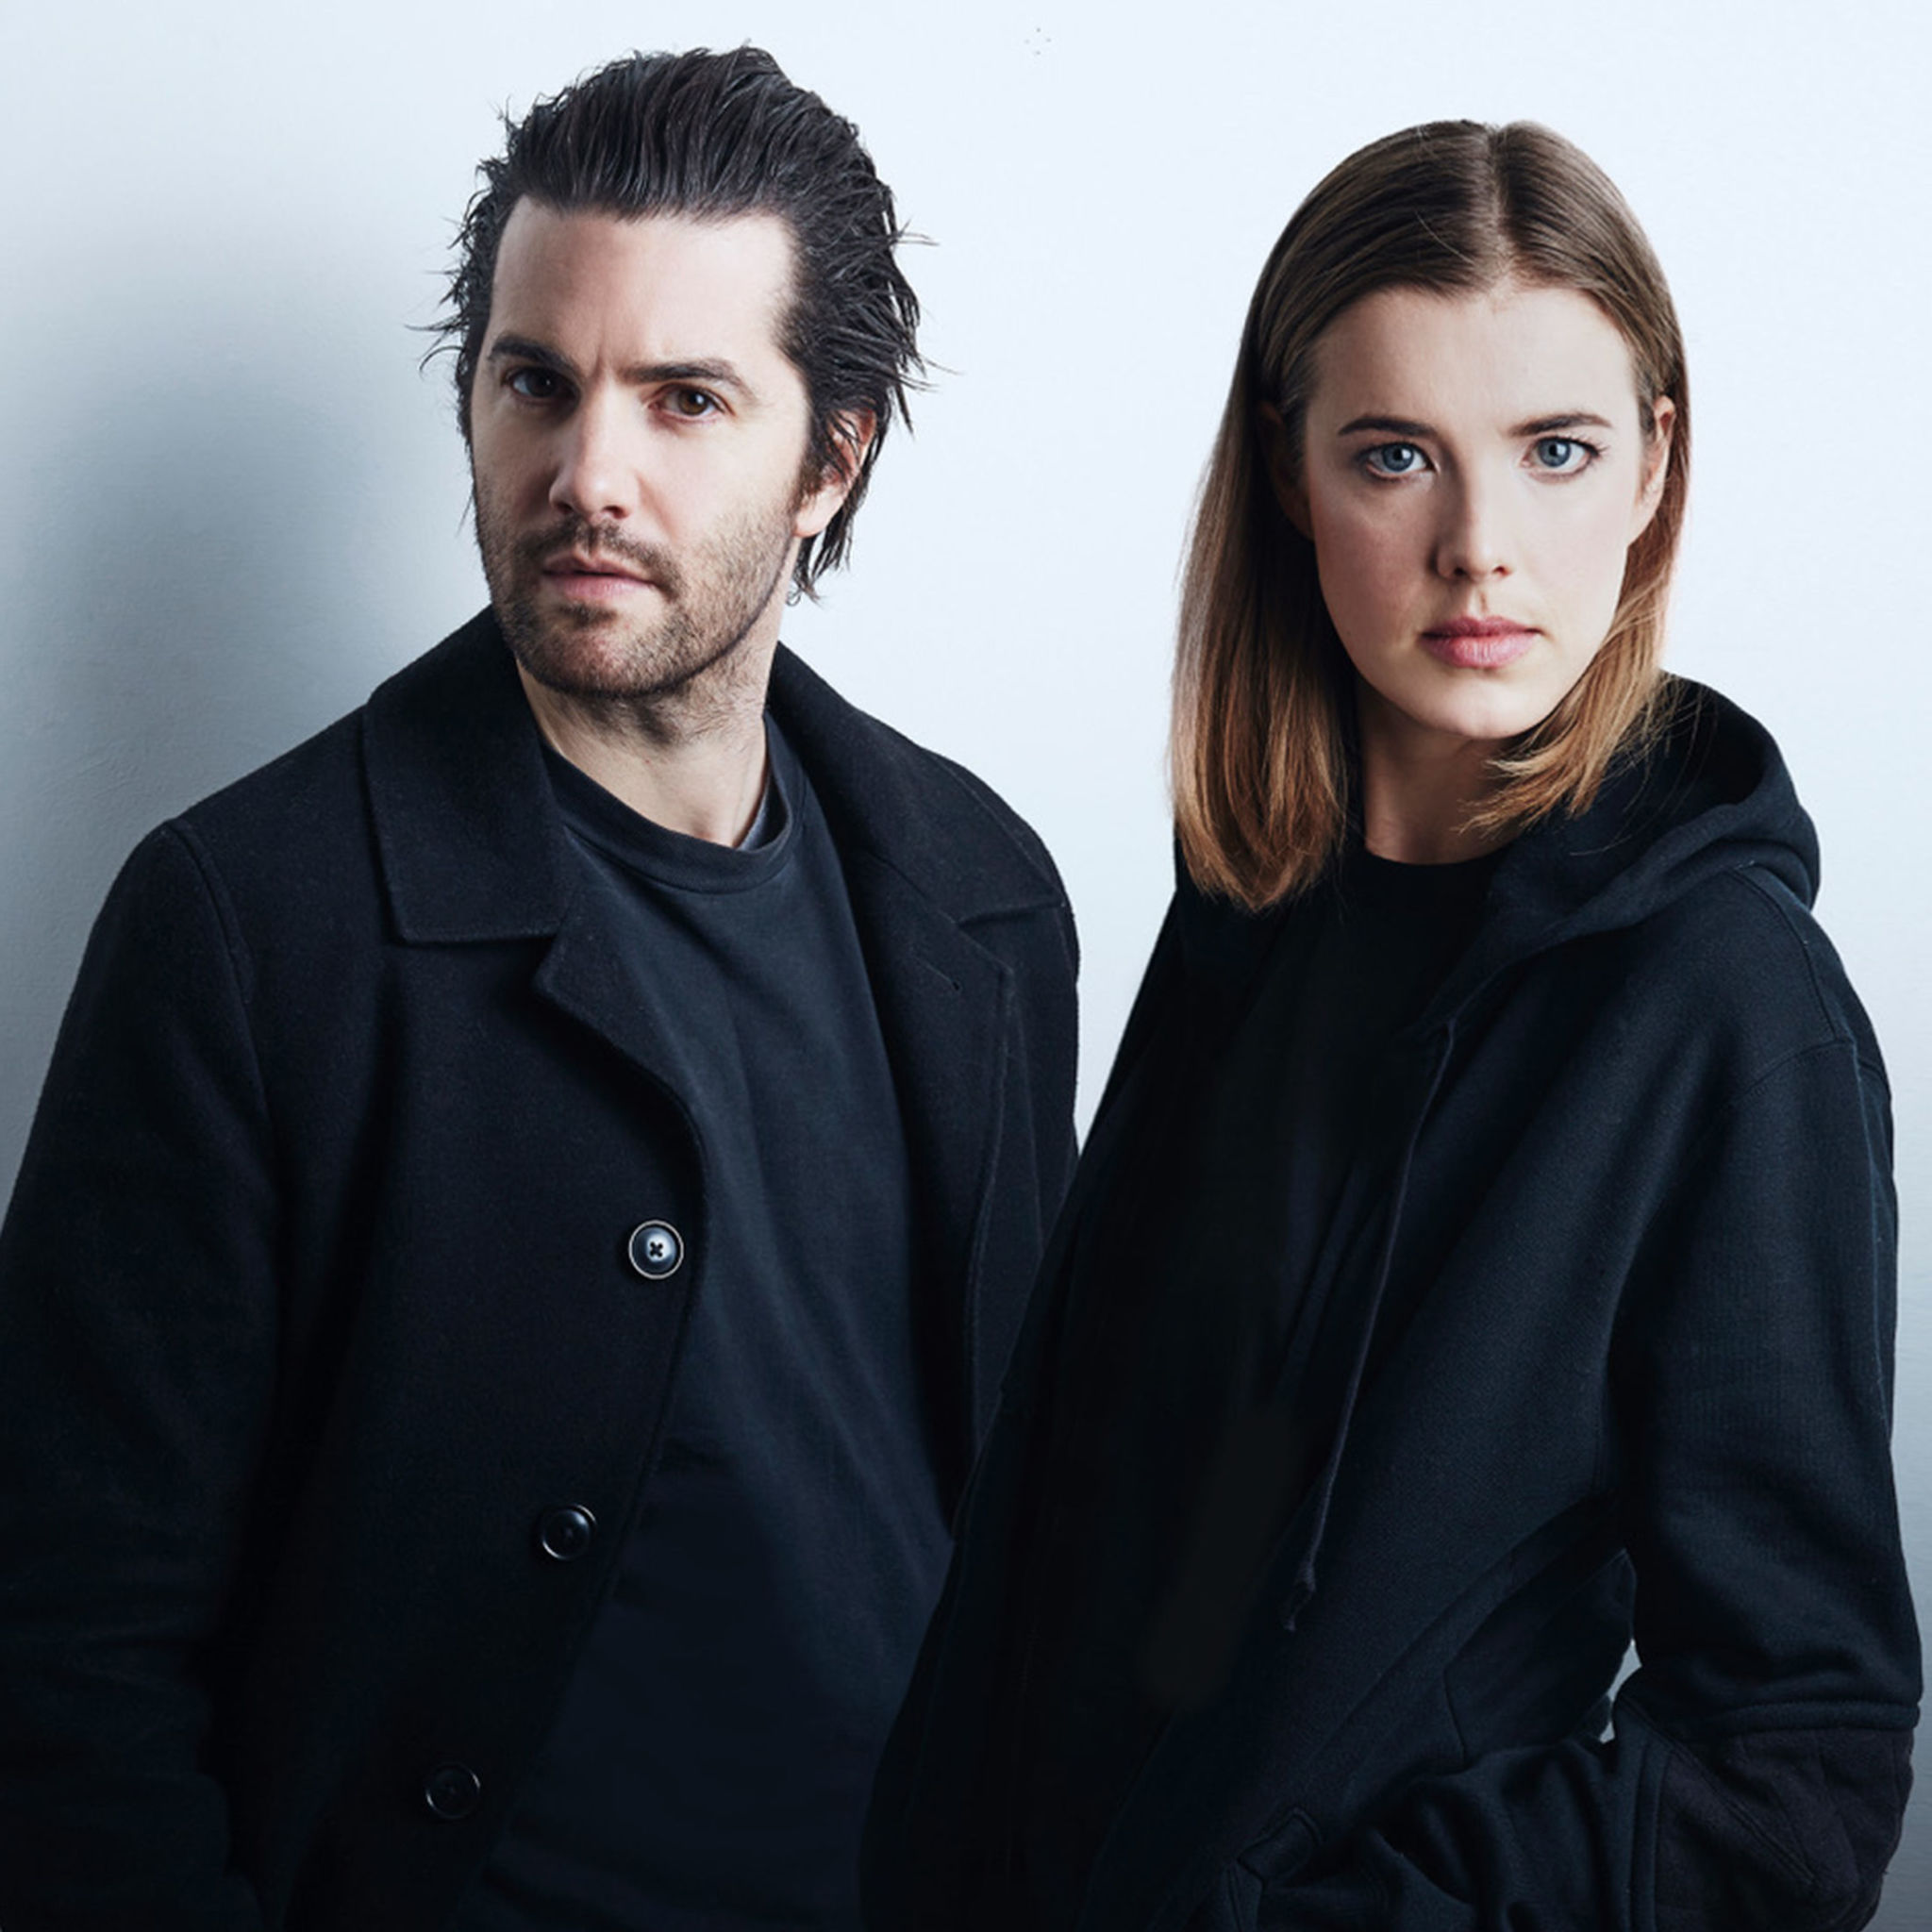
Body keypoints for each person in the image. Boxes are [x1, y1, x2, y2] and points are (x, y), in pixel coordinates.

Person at [0, 46, 1077, 1931]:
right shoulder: (249, 928)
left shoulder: (982, 898)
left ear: (831, 459)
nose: (587, 476)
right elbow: (61, 1657)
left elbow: (1033, 1526)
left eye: (685, 400)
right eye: (536, 384)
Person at [865, 121, 1918, 1930]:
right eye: (1396, 455)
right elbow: (1104, 1545)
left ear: (1655, 468)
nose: (1479, 549)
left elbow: (1796, 1763)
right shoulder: (1251, 905)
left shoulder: (1724, 1008)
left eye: (1557, 450)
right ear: (1290, 471)